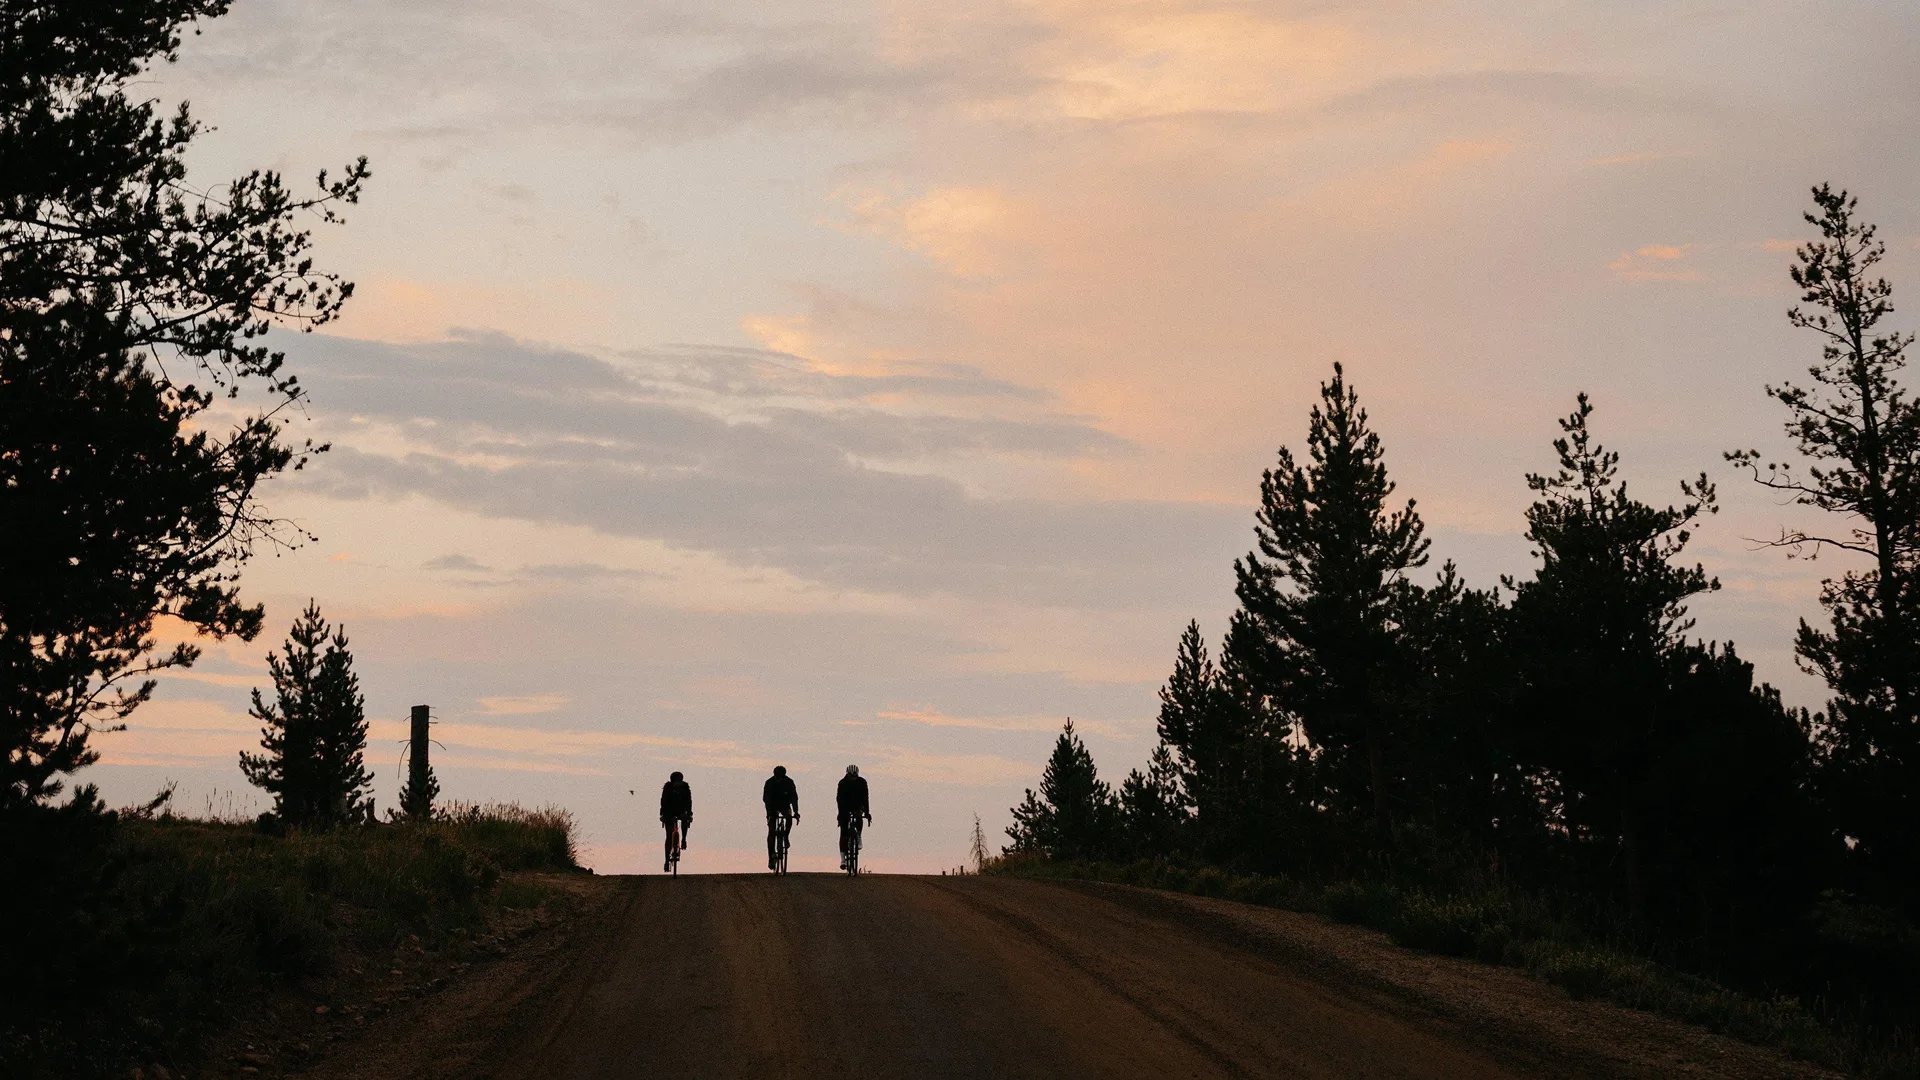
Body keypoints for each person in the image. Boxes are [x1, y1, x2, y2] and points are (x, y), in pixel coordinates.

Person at [763, 765, 799, 870]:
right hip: (772, 807)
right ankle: (771, 857)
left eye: (781, 778)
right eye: (777, 777)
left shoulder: (789, 782)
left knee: (788, 817)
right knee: (771, 831)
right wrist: (769, 814)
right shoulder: (769, 783)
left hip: (784, 806)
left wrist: (796, 811)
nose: (779, 780)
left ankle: (786, 836)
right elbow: (766, 799)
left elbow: (794, 798)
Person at [836, 764, 871, 871]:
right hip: (845, 807)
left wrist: (867, 812)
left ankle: (858, 836)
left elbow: (865, 797)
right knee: (843, 832)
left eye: (855, 776)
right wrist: (840, 814)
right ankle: (843, 859)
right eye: (851, 776)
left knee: (859, 816)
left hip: (857, 806)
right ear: (847, 775)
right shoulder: (842, 783)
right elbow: (839, 799)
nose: (853, 778)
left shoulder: (862, 782)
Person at [659, 770, 692, 872]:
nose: (678, 784)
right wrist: (663, 815)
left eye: (679, 782)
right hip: (669, 812)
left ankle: (683, 840)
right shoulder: (667, 788)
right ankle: (666, 860)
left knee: (685, 820)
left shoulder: (685, 788)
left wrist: (689, 813)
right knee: (669, 835)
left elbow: (688, 802)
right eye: (676, 782)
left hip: (681, 811)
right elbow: (663, 802)